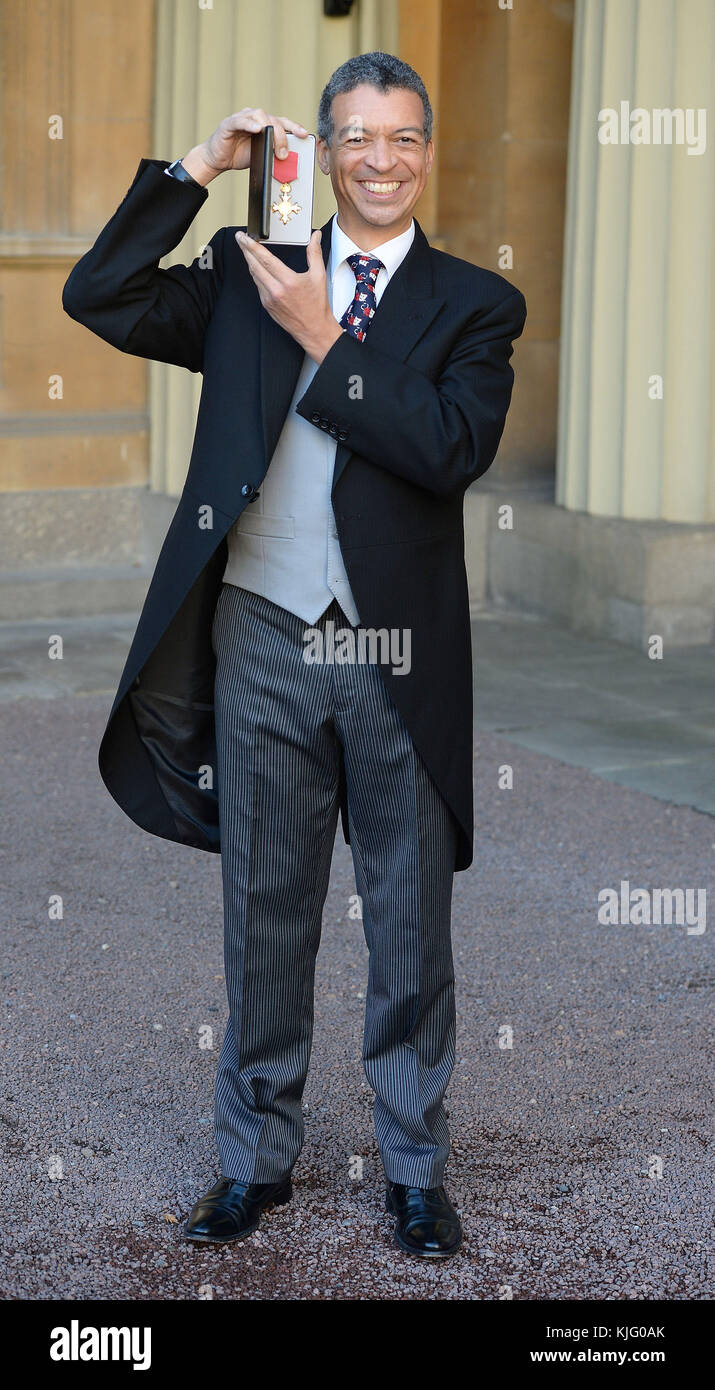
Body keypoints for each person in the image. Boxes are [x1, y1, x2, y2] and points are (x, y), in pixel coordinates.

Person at [62, 51, 526, 1259]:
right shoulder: (246, 270)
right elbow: (98, 295)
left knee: (409, 925)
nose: (381, 158)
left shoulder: (475, 303)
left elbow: (447, 448)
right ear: (320, 148)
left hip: (395, 651)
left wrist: (325, 337)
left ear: (427, 151)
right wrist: (197, 170)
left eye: (403, 138)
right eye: (357, 137)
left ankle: (415, 1172)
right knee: (264, 908)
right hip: (260, 629)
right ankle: (251, 1160)